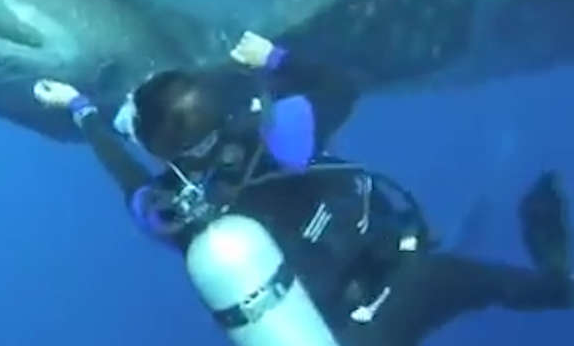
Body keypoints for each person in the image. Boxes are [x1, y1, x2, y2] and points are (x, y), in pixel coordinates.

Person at [32, 31, 571, 346]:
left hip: (343, 336)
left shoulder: (187, 216)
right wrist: (272, 58)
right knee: (515, 286)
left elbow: (126, 178)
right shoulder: (285, 130)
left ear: (161, 149)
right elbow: (339, 85)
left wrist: (82, 112)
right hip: (415, 278)